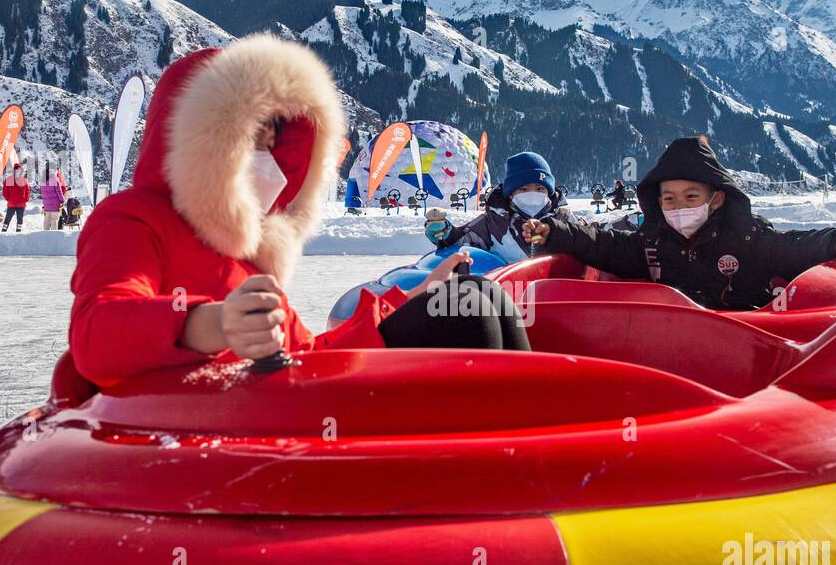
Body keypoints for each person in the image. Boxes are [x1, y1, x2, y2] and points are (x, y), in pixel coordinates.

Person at [68, 35, 526, 390]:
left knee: (472, 298)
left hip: (277, 408)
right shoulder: (132, 218)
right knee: (470, 318)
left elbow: (309, 352)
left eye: (275, 141)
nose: (269, 158)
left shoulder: (246, 254)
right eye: (252, 139)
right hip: (209, 432)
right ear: (201, 143)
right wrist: (207, 324)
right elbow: (96, 334)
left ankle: (530, 445)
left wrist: (419, 292)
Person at [523, 135, 836, 310]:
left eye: (691, 198)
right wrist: (554, 231)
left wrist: (833, 242)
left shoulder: (746, 238)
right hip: (680, 346)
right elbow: (601, 243)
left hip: (744, 341)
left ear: (716, 199)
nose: (679, 208)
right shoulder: (650, 244)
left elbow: (790, 247)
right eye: (669, 199)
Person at [424, 151, 566, 263]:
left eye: (540, 189)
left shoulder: (564, 219)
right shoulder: (492, 223)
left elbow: (586, 244)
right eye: (523, 189)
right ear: (510, 194)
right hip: (508, 294)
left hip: (558, 295)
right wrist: (443, 232)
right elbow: (458, 242)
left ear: (549, 192)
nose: (532, 194)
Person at [0, 163, 30, 232]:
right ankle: (4, 231)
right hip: (12, 204)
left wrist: (26, 199)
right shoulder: (10, 179)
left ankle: (18, 231)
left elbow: (27, 191)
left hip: (20, 204)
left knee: (20, 219)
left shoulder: (23, 180)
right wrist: (9, 199)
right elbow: (5, 192)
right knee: (8, 218)